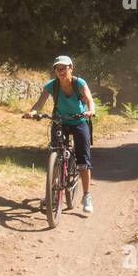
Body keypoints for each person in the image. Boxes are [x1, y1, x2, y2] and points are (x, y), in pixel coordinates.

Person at [23, 55, 97, 213]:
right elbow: (40, 103)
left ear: (71, 68)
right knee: (55, 152)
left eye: (64, 68)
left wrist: (91, 111)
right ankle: (53, 194)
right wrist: (33, 112)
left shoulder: (79, 83)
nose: (61, 71)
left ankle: (86, 196)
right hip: (60, 121)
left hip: (79, 121)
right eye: (58, 68)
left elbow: (89, 99)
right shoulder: (51, 86)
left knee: (83, 160)